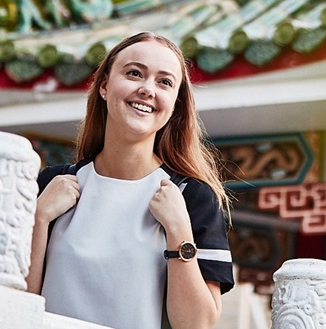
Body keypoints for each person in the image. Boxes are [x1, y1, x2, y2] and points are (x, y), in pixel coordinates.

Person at [26, 32, 234, 329]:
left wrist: (178, 231)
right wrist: (39, 217)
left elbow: (196, 325)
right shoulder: (52, 184)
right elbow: (16, 304)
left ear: (175, 104)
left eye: (164, 82)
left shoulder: (192, 196)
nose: (147, 89)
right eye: (134, 73)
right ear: (104, 86)